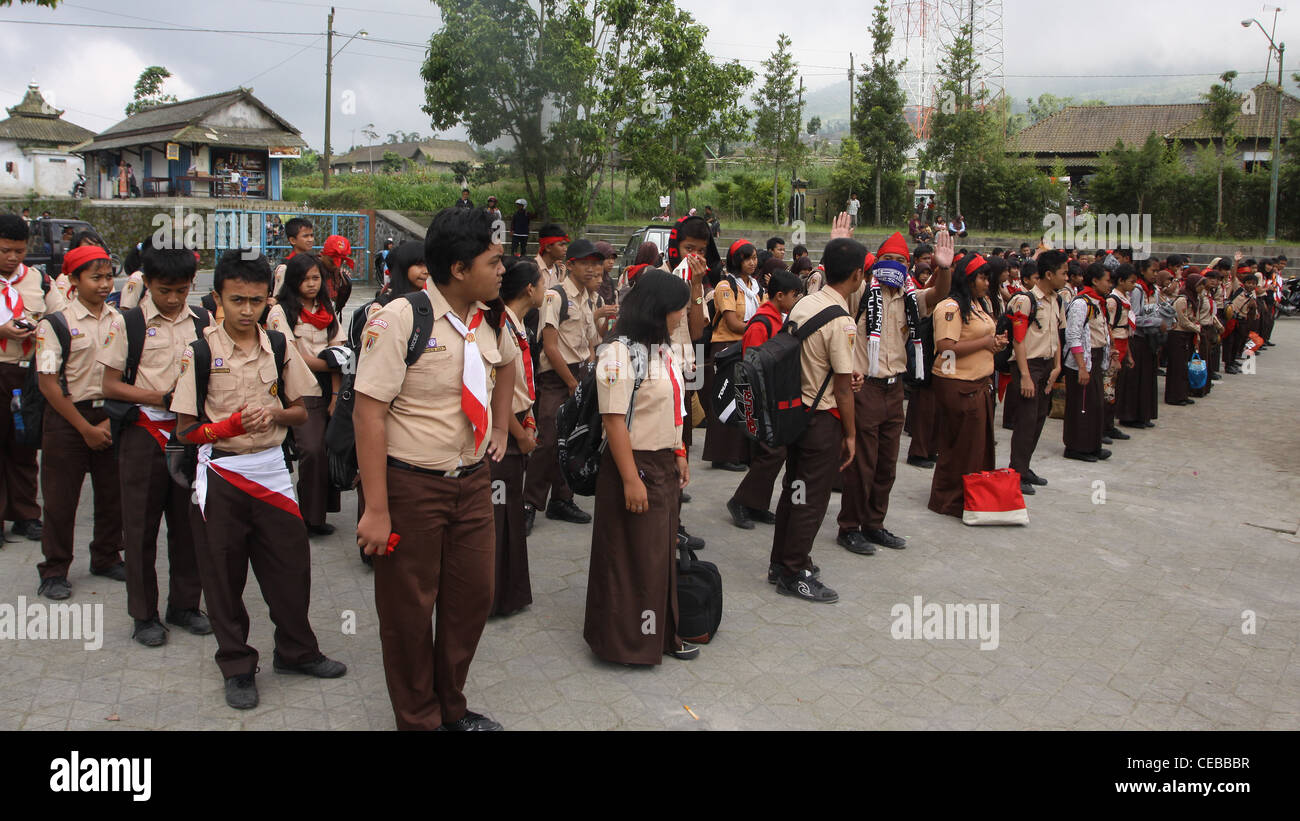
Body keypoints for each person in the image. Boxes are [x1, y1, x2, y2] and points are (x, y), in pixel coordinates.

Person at [353, 206, 517, 731]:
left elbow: (509, 363)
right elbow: (368, 413)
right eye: (493, 262)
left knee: (473, 598)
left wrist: (499, 427)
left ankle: (452, 705)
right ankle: (419, 718)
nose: (503, 271)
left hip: (470, 483)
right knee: (407, 612)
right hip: (411, 486)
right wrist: (376, 509)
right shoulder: (401, 318)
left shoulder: (491, 318)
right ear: (459, 268)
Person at [173, 250, 346, 710]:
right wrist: (225, 427)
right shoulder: (200, 352)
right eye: (236, 301)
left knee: (291, 569)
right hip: (222, 474)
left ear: (268, 300)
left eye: (254, 300)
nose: (245, 310)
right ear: (217, 300)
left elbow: (299, 408)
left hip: (271, 470)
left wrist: (273, 413)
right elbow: (185, 430)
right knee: (223, 576)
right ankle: (236, 665)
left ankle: (296, 651)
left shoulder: (279, 345)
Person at [99, 241, 212, 644]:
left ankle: (184, 605)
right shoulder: (127, 323)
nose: (173, 298)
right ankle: (143, 614)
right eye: (165, 290)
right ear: (147, 283)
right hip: (144, 435)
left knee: (188, 527)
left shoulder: (202, 320)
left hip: (189, 439)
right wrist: (159, 397)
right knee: (140, 528)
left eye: (181, 290)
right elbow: (110, 384)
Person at [584, 270, 696, 663]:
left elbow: (673, 407)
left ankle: (659, 635)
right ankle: (624, 644)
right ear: (657, 309)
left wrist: (680, 452)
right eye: (678, 308)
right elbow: (614, 419)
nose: (683, 314)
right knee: (629, 558)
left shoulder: (662, 349)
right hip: (633, 465)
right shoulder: (618, 353)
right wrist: (631, 480)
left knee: (655, 553)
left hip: (662, 462)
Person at [839, 227, 953, 550]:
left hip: (894, 389)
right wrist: (842, 246)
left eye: (900, 260)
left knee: (887, 463)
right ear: (875, 262)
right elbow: (835, 286)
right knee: (863, 463)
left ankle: (874, 523)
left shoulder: (910, 299)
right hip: (865, 388)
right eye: (887, 259)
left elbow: (938, 295)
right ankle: (849, 526)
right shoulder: (861, 292)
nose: (893, 265)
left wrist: (943, 267)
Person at [769, 232, 862, 602]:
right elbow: (842, 388)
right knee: (811, 498)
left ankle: (783, 561)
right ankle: (794, 573)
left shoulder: (806, 303)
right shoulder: (841, 321)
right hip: (822, 419)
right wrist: (851, 434)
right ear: (856, 275)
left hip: (795, 412)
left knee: (794, 489)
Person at [33, 244, 125, 600]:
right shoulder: (54, 324)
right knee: (59, 498)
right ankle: (55, 568)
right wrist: (84, 428)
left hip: (109, 415)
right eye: (95, 277)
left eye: (107, 276)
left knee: (112, 492)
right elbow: (47, 383)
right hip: (67, 417)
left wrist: (107, 421)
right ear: (73, 280)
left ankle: (106, 556)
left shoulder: (118, 319)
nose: (104, 284)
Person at [265, 254, 345, 535]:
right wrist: (329, 363)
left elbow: (340, 351)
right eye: (305, 278)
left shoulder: (327, 307)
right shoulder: (281, 312)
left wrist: (336, 394)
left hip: (329, 389)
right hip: (299, 389)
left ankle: (317, 515)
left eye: (316, 278)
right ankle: (307, 516)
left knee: (327, 449)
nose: (311, 284)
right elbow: (292, 355)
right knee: (310, 450)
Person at [523, 239, 600, 529]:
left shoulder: (587, 298)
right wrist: (571, 383)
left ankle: (562, 499)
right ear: (571, 265)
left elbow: (591, 343)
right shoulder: (556, 296)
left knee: (575, 438)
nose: (593, 269)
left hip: (579, 375)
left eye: (596, 263)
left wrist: (588, 375)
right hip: (558, 378)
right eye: (586, 263)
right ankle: (529, 502)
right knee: (548, 440)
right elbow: (551, 347)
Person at [927, 252, 1006, 517]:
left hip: (977, 382)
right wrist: (984, 343)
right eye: (982, 278)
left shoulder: (977, 304)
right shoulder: (950, 307)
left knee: (975, 446)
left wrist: (993, 345)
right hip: (957, 383)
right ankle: (950, 500)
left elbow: (976, 340)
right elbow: (946, 348)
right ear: (969, 279)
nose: (987, 283)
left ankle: (971, 497)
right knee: (961, 447)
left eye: (988, 278)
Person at [727, 269, 803, 530]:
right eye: (795, 295)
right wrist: (754, 407)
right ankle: (740, 501)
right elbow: (751, 365)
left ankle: (756, 504)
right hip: (760, 400)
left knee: (770, 453)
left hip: (772, 398)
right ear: (780, 296)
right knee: (772, 452)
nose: (797, 300)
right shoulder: (762, 323)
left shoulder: (776, 318)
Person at [492, 259, 544, 616]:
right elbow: (496, 390)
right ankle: (493, 595)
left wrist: (529, 422)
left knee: (510, 510)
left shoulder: (519, 324)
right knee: (497, 514)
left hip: (520, 421)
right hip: (504, 429)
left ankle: (509, 592)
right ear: (529, 288)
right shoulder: (499, 327)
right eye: (542, 283)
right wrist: (519, 433)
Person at [0, 215, 50, 542]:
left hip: (25, 373)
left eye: (19, 251)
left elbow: (60, 317)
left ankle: (26, 515)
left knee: (24, 445)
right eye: (5, 251)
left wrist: (39, 329)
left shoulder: (37, 281)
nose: (13, 258)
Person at [1004, 250, 1066, 494]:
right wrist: (1025, 375)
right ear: (1049, 274)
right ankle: (1016, 471)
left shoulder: (1056, 299)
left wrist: (1058, 366)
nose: (1066, 278)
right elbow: (1018, 341)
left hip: (1048, 364)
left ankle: (1025, 466)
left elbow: (1057, 336)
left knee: (1040, 417)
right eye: (1063, 273)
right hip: (1028, 365)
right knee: (1026, 421)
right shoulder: (1025, 300)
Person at [703, 240, 763, 471]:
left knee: (744, 401)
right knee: (724, 399)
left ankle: (741, 453)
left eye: (755, 258)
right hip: (727, 348)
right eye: (747, 258)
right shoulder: (725, 286)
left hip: (746, 347)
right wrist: (760, 328)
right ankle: (722, 454)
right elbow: (732, 323)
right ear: (737, 260)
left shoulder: (755, 287)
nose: (752, 262)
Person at [1062, 263, 1112, 462]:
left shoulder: (1098, 302)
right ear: (1095, 280)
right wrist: (1082, 366)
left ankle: (1093, 445)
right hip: (1082, 361)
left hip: (1096, 358)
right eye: (1107, 281)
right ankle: (1076, 447)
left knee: (1095, 405)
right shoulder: (1081, 303)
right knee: (1081, 406)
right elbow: (1073, 335)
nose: (1110, 285)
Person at [1117, 257, 1161, 429]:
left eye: (1158, 271)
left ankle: (1144, 414)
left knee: (1147, 379)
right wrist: (1156, 323)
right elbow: (1134, 317)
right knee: (1134, 379)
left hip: (1149, 340)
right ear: (1143, 271)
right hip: (1137, 339)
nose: (1156, 274)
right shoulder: (1137, 290)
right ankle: (1129, 415)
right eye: (1153, 271)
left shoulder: (1154, 291)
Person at [1103, 264, 1137, 439]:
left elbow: (1126, 331)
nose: (1133, 285)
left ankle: (1110, 425)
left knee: (1116, 388)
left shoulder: (1124, 298)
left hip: (1123, 344)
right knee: (1108, 388)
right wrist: (1113, 352)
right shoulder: (1113, 300)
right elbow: (1109, 328)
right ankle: (1104, 426)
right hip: (1114, 346)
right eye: (1131, 282)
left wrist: (1129, 354)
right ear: (1121, 281)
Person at [272, 217, 316, 300]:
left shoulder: (315, 263)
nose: (310, 239)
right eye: (305, 236)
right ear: (292, 240)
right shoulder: (284, 267)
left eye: (312, 235)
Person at [317, 234, 355, 317]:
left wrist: (344, 287)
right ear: (322, 254)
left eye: (340, 262)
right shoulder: (312, 271)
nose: (336, 266)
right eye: (331, 262)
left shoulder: (337, 274)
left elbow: (335, 300)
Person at [534, 224, 569, 290]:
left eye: (565, 245)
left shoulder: (557, 270)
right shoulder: (532, 269)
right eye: (561, 245)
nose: (565, 249)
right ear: (548, 247)